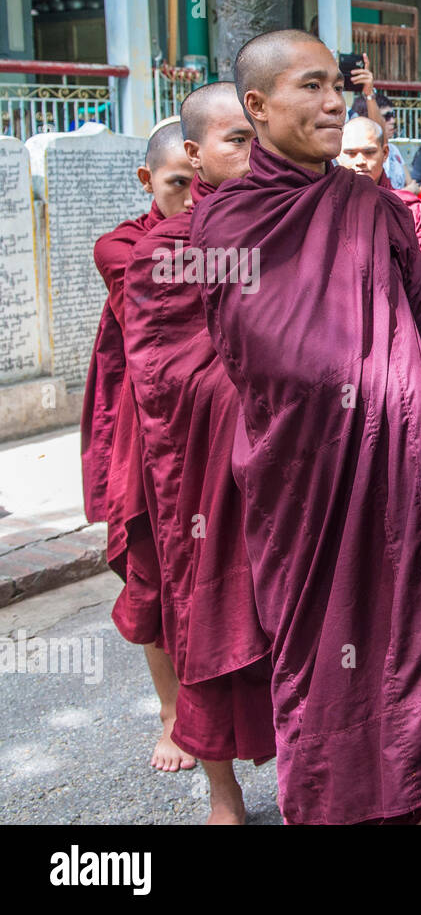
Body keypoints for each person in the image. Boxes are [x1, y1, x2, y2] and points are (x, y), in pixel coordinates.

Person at [194, 28, 421, 825]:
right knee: (322, 646)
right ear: (258, 105)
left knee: (409, 631)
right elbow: (257, 353)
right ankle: (328, 800)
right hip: (305, 474)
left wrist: (420, 402)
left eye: (334, 86)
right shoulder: (226, 224)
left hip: (402, 468)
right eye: (308, 87)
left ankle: (408, 794)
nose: (330, 102)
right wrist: (375, 389)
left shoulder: (374, 206)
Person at [122, 83, 273, 824]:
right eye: (236, 139)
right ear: (195, 152)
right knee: (201, 605)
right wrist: (274, 388)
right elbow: (171, 368)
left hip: (307, 462)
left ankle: (333, 770)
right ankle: (223, 792)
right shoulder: (167, 249)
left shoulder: (306, 221)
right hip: (211, 463)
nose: (254, 155)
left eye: (260, 138)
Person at [85, 119, 195, 774]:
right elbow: (157, 324)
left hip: (221, 423)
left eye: (203, 184)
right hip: (150, 434)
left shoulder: (232, 232)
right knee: (153, 573)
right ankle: (173, 710)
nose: (193, 198)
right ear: (147, 180)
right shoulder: (120, 246)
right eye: (178, 185)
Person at [338, 116, 421, 277]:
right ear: (338, 154)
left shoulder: (408, 208)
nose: (360, 161)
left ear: (385, 153)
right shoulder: (327, 204)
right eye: (351, 153)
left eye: (369, 152)